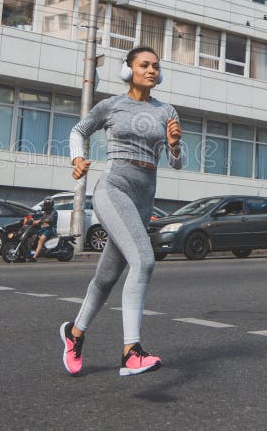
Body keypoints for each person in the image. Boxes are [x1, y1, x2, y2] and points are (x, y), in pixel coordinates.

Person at [59, 46, 185, 377]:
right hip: (114, 188)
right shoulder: (111, 105)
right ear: (128, 70)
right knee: (143, 260)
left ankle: (74, 333)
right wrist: (77, 159)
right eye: (144, 65)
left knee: (107, 276)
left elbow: (177, 163)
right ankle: (131, 351)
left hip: (143, 199)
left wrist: (174, 145)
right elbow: (79, 130)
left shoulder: (167, 111)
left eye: (156, 66)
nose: (151, 70)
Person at [30, 197, 58, 261]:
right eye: (46, 204)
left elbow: (49, 220)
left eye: (48, 204)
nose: (46, 205)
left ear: (51, 204)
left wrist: (39, 221)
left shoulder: (54, 212)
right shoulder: (45, 212)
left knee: (41, 240)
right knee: (32, 238)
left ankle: (34, 257)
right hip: (43, 229)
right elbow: (41, 218)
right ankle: (30, 253)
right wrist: (32, 220)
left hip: (50, 229)